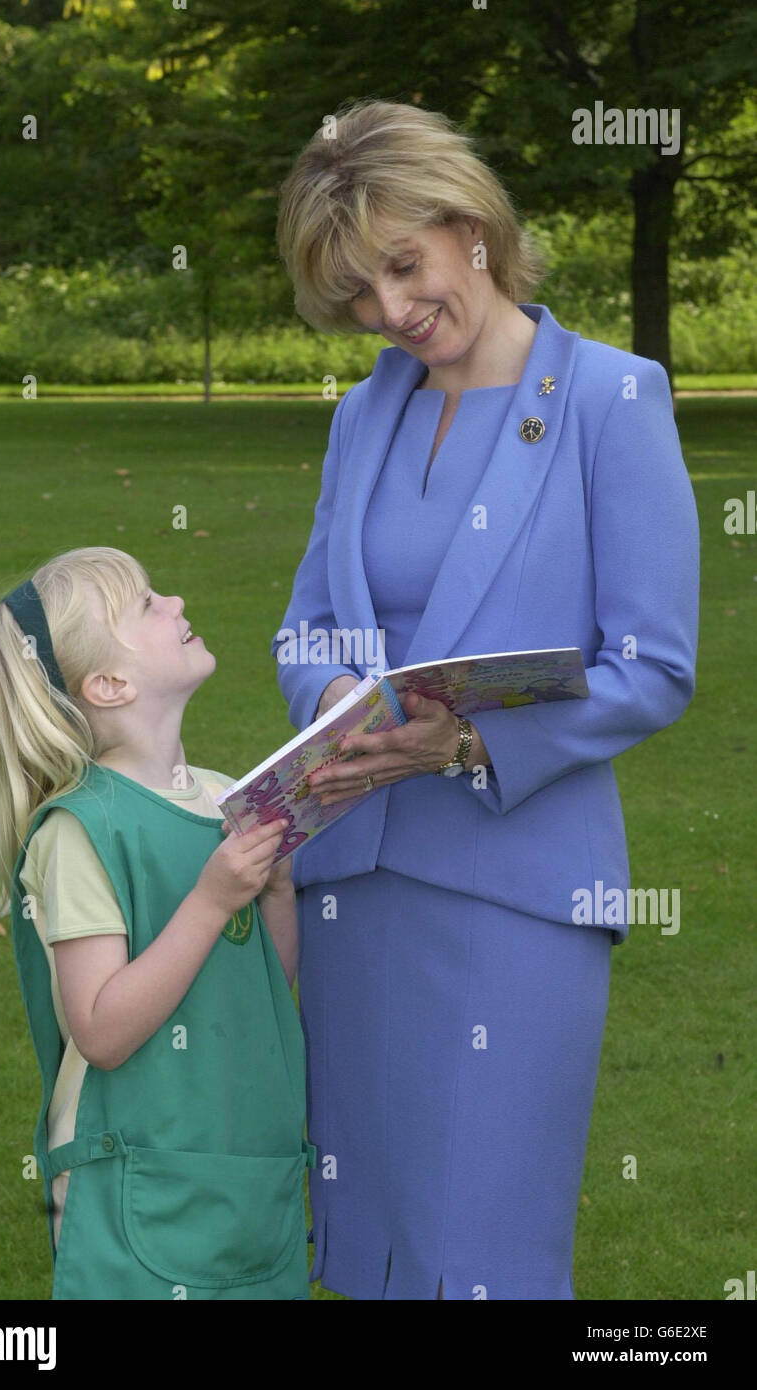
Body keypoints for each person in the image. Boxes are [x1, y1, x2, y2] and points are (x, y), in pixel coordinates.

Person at [272, 100, 699, 1300]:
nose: (390, 313)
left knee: (480, 1259)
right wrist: (342, 690)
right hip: (349, 882)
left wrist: (463, 742)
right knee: (361, 1249)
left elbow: (654, 665)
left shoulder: (615, 401)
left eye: (401, 267)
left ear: (471, 225)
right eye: (357, 293)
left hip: (515, 894)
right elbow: (306, 624)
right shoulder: (363, 413)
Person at [0, 545, 314, 1300]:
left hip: (247, 1179)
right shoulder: (82, 832)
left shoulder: (229, 799)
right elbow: (101, 1028)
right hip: (139, 1196)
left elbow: (259, 986)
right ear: (110, 684)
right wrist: (211, 900)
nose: (178, 603)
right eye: (148, 605)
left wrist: (278, 892)